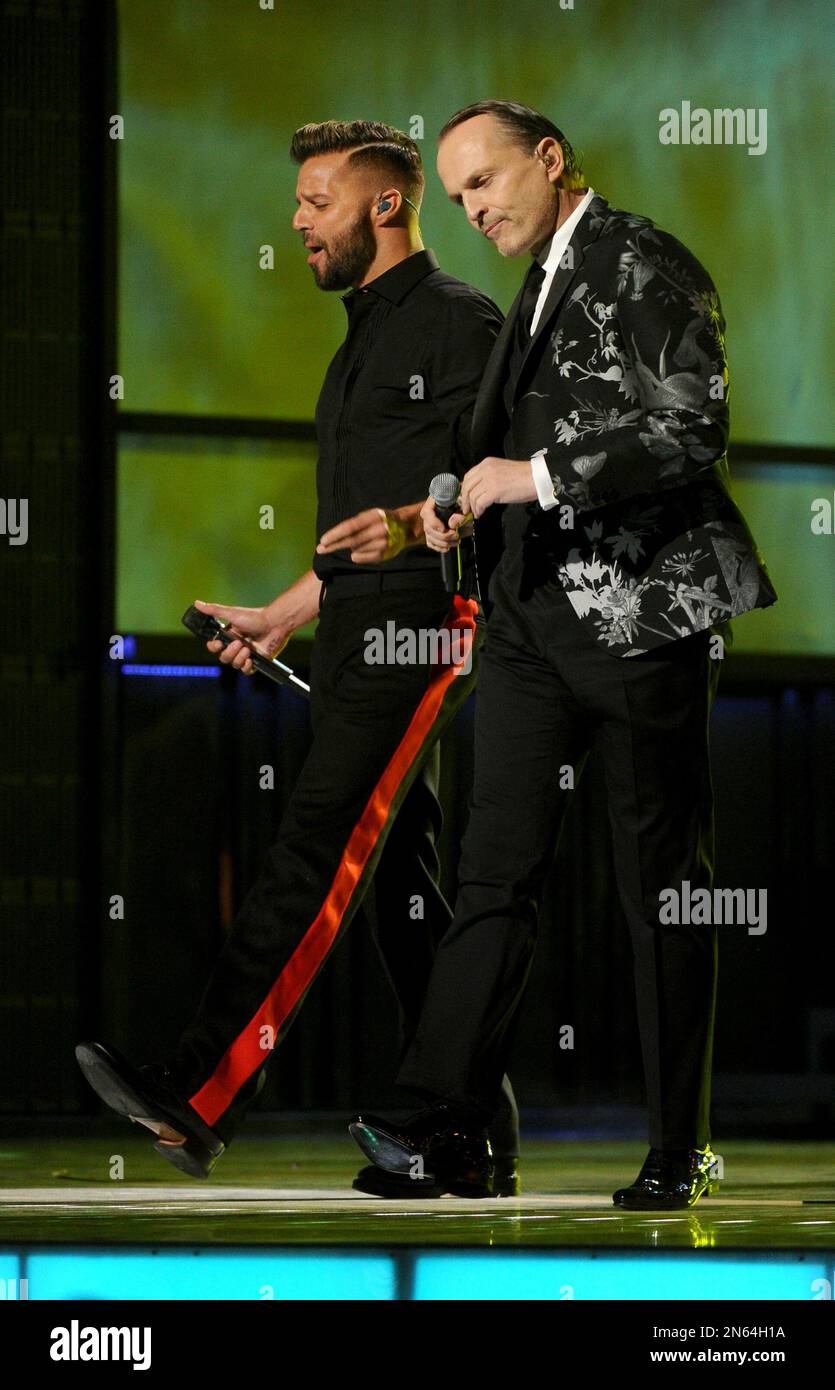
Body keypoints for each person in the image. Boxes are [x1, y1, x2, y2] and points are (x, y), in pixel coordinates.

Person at [76, 119, 520, 1197]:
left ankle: (199, 1089)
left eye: (315, 201)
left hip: (424, 629)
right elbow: (353, 535)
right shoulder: (362, 338)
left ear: (382, 205)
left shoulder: (461, 324)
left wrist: (415, 543)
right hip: (360, 632)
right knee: (402, 888)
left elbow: (488, 487)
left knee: (317, 844)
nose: (297, 224)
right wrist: (284, 613)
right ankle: (467, 1132)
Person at [350, 100, 777, 1209]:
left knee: (660, 892)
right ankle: (431, 1123)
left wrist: (531, 478)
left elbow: (691, 426)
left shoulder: (641, 259)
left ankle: (676, 1146)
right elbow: (512, 448)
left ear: (549, 160)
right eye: (458, 196)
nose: (474, 208)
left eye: (485, 181)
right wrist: (455, 509)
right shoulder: (532, 284)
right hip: (530, 623)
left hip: (642, 621)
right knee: (491, 873)